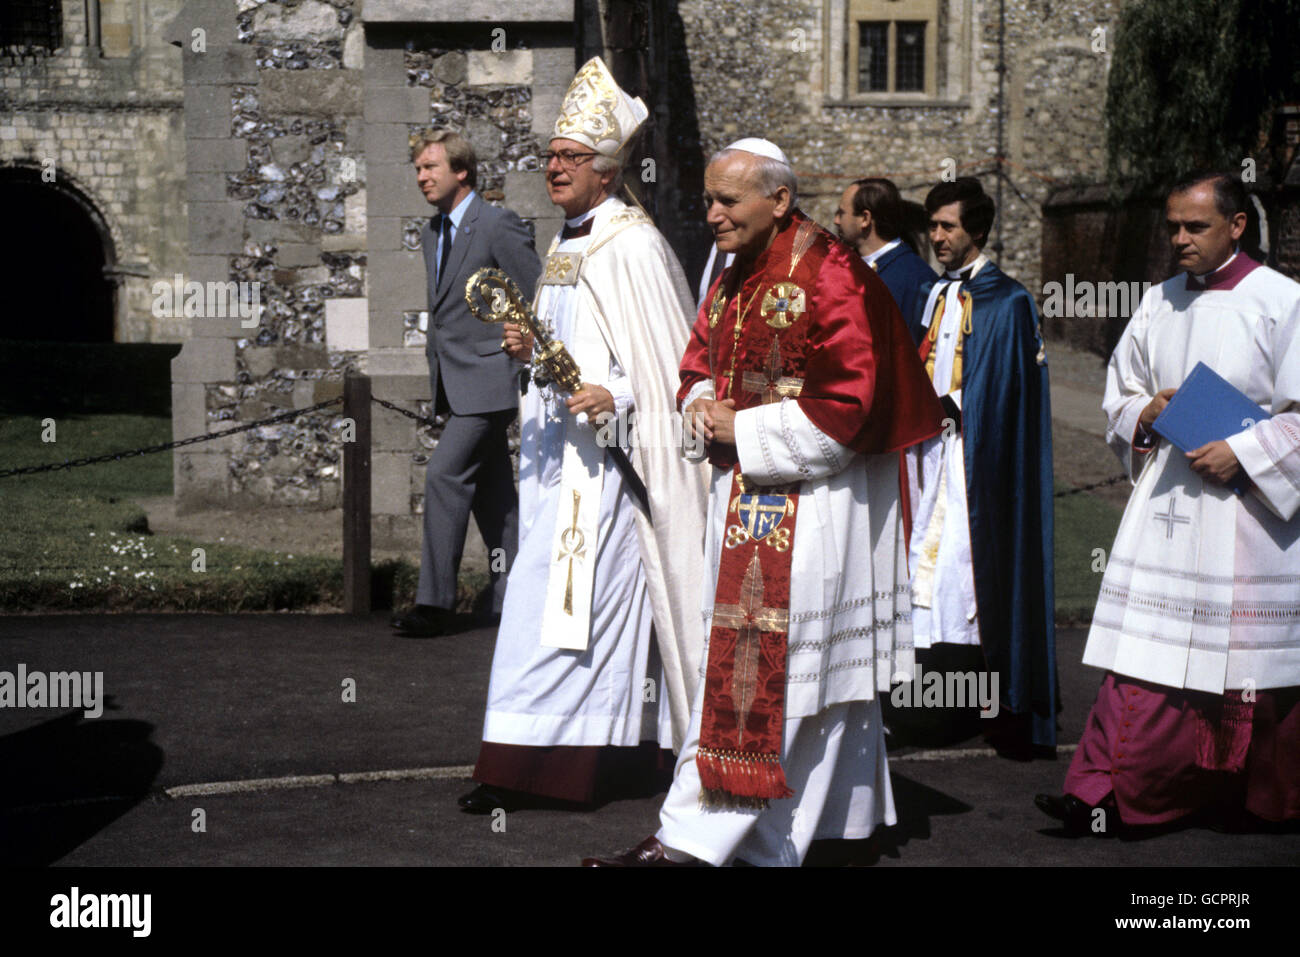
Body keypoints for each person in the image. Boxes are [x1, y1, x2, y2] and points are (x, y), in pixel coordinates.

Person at [582, 138, 944, 866]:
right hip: (749, 499)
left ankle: (689, 841)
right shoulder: (738, 268)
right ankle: (814, 833)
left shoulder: (832, 273)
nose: (711, 213)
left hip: (819, 508)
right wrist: (702, 398)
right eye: (708, 198)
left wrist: (740, 427)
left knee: (774, 677)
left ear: (778, 200)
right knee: (801, 679)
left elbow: (850, 406)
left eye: (726, 201)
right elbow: (697, 356)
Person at [458, 57, 709, 814]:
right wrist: (531, 347)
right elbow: (575, 343)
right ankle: (582, 757)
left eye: (570, 158)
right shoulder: (567, 242)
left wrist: (617, 394)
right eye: (551, 155)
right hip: (558, 468)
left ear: (607, 171)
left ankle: (535, 769)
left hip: (608, 475)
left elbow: (670, 367)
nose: (554, 167)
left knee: (561, 619)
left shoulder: (631, 245)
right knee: (564, 616)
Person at [1036, 170, 1300, 835]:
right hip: (1169, 508)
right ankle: (1104, 792)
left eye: (1195, 227)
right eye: (1173, 227)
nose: (1178, 239)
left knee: (1253, 672)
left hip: (1250, 515)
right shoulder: (1158, 300)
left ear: (1237, 226)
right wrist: (1142, 414)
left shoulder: (1282, 301)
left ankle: (1259, 796)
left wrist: (1246, 452)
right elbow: (1119, 392)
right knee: (1145, 660)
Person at [905, 176, 1057, 754]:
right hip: (932, 454)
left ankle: (984, 705)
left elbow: (1010, 389)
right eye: (933, 226)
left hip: (977, 459)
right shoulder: (937, 293)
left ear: (979, 230)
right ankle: (932, 703)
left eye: (948, 227)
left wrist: (961, 408)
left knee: (967, 579)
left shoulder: (1007, 299)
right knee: (928, 573)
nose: (937, 237)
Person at [390, 130, 541, 637]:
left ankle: (434, 604)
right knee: (495, 499)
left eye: (430, 167)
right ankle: (518, 596)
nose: (421, 177)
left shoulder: (499, 225)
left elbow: (537, 294)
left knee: (443, 476)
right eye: (417, 170)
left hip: (491, 380)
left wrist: (522, 354)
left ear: (462, 171)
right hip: (455, 383)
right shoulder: (434, 231)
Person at [834, 177, 935, 341]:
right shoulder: (841, 268)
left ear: (865, 219)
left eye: (841, 213)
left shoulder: (919, 280)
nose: (836, 221)